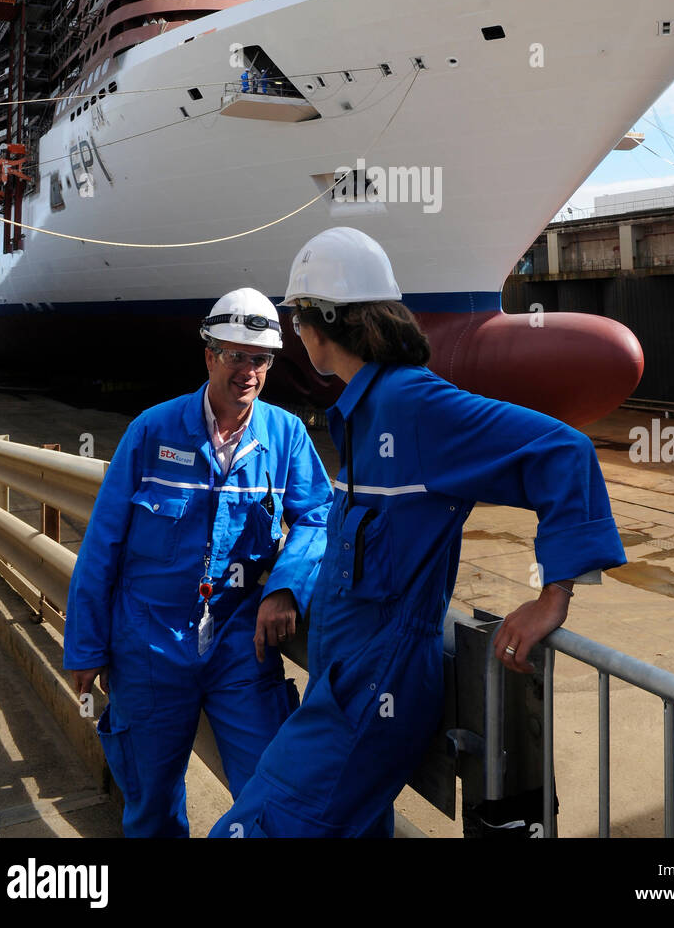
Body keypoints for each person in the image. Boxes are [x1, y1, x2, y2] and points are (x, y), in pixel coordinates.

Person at [208, 228, 627, 840]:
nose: (296, 333)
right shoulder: (364, 409)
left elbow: (562, 449)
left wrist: (553, 597)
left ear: (324, 322)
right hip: (344, 676)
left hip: (378, 683)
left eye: (298, 318)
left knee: (258, 826)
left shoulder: (414, 405)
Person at [63, 288, 333, 838]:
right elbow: (102, 547)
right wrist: (86, 646)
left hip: (240, 646)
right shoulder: (151, 431)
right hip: (149, 646)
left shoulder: (285, 437)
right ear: (209, 354)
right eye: (236, 355)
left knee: (270, 795)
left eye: (260, 359)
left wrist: (286, 587)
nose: (249, 371)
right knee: (152, 808)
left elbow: (321, 517)